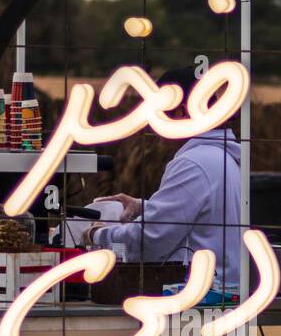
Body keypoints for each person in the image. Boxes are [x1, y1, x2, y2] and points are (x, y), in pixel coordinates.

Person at [83, 64, 242, 285]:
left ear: (184, 111)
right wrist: (143, 208)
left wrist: (96, 235)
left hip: (199, 297)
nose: (153, 123)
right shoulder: (219, 157)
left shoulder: (193, 164)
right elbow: (196, 219)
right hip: (218, 293)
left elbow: (149, 241)